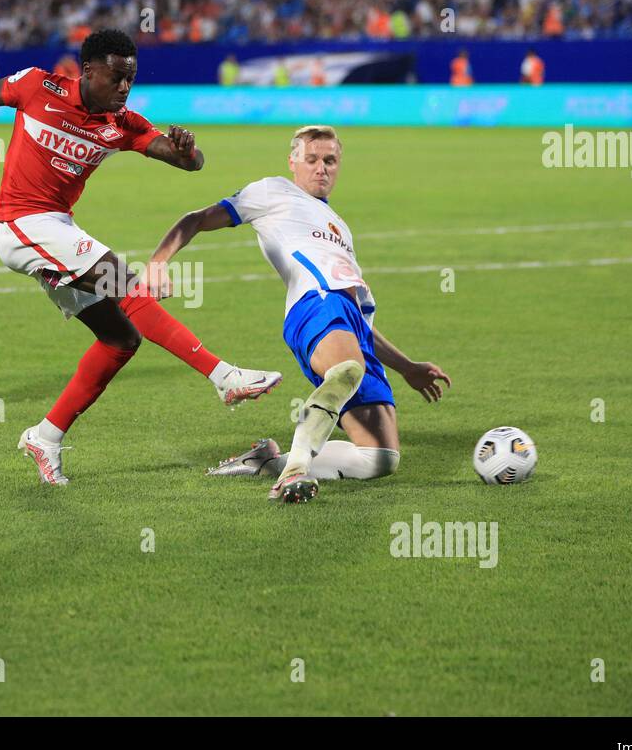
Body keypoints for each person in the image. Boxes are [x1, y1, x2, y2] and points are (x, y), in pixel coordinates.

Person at [0, 28, 283, 485]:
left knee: (121, 339)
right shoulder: (38, 87)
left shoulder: (122, 123)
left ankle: (45, 437)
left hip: (57, 229)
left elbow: (183, 160)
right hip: (19, 223)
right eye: (117, 77)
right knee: (124, 282)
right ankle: (224, 376)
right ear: (88, 71)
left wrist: (190, 153)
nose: (125, 88)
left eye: (131, 78)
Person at [146, 125, 451, 503]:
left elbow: (358, 317)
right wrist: (159, 261)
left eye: (330, 160)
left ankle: (268, 462)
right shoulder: (273, 191)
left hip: (351, 321)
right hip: (314, 304)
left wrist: (406, 366)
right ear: (293, 162)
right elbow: (195, 219)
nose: (321, 168)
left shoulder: (340, 226)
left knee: (380, 458)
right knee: (347, 371)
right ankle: (294, 473)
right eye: (312, 159)